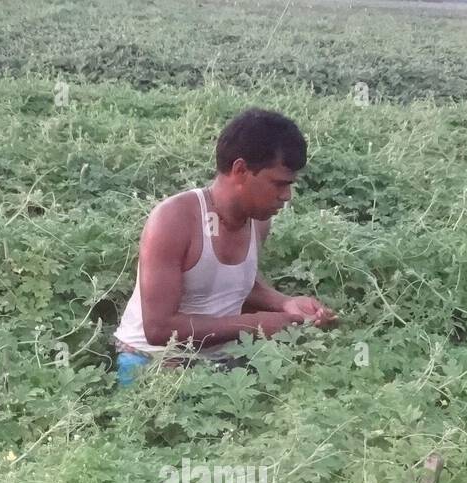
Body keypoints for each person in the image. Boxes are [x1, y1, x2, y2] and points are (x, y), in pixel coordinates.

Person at [113, 108, 338, 385]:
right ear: (240, 170)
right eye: (279, 184)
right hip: (150, 360)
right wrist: (254, 325)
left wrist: (286, 304)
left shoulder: (258, 221)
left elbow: (237, 286)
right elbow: (159, 329)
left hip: (220, 363)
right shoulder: (175, 220)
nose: (286, 196)